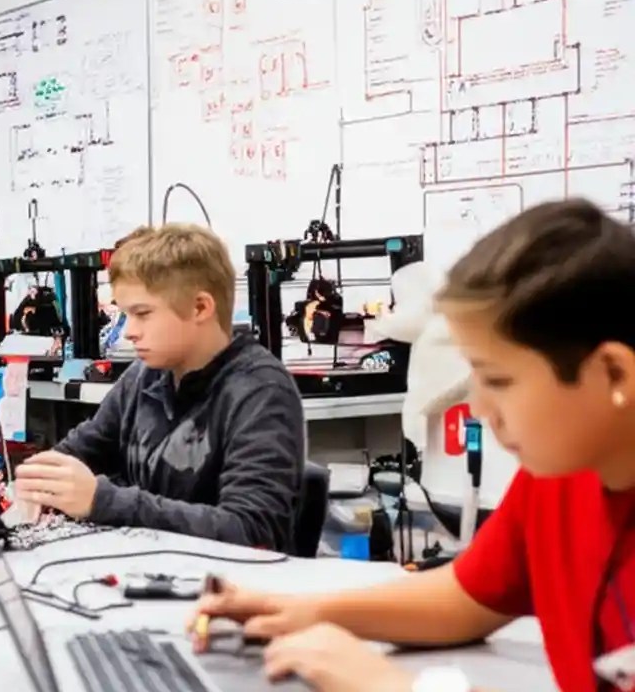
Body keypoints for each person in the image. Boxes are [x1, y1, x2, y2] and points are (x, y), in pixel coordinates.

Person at [186, 199, 635, 692]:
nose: (479, 406)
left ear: (614, 374)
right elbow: (464, 599)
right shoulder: (556, 482)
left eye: (498, 380)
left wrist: (390, 686)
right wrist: (300, 611)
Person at [14, 224, 304, 549]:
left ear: (200, 308)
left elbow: (253, 532)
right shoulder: (144, 377)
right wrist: (38, 481)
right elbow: (80, 451)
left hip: (225, 578)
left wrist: (103, 501)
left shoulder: (261, 392)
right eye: (126, 314)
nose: (129, 331)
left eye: (142, 314)